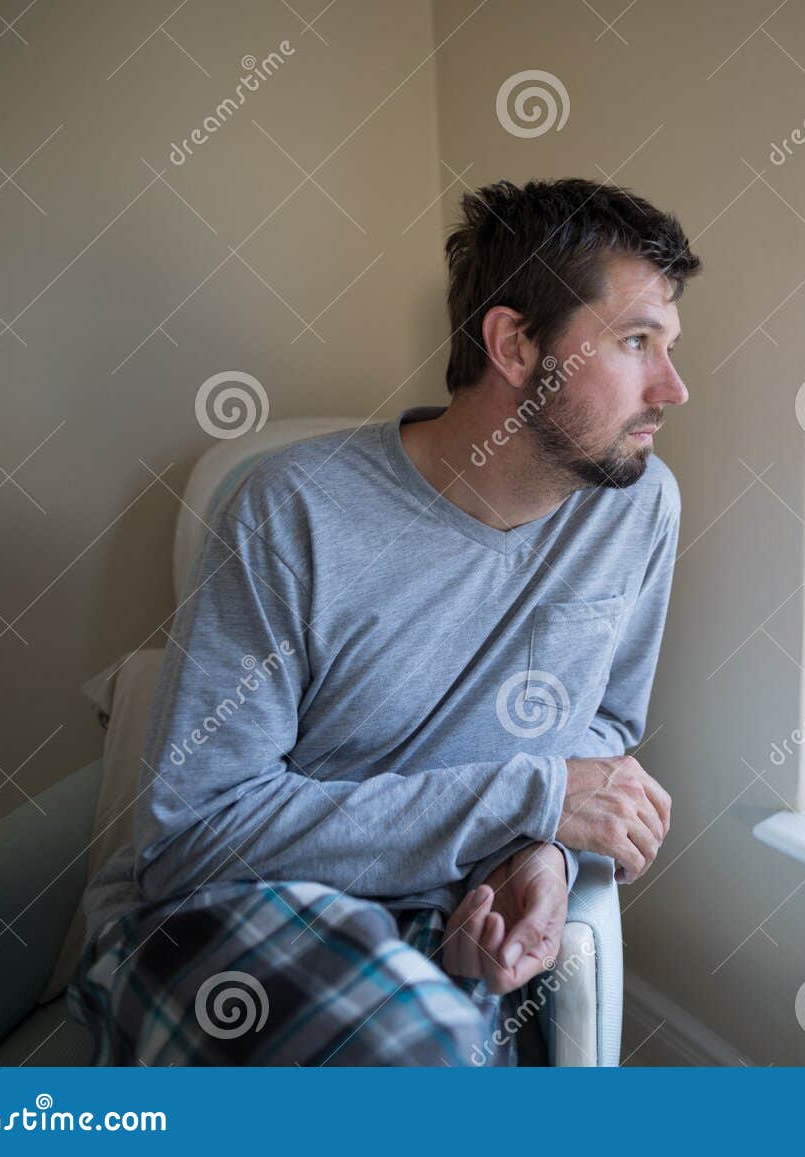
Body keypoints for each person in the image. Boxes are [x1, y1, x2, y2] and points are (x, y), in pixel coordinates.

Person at [67, 178, 701, 1066]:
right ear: (516, 344)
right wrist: (536, 800)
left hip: (451, 916)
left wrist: (544, 853)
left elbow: (599, 727)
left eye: (668, 345)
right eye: (637, 342)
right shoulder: (291, 511)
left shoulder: (638, 507)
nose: (673, 386)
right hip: (235, 908)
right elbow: (195, 837)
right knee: (417, 1056)